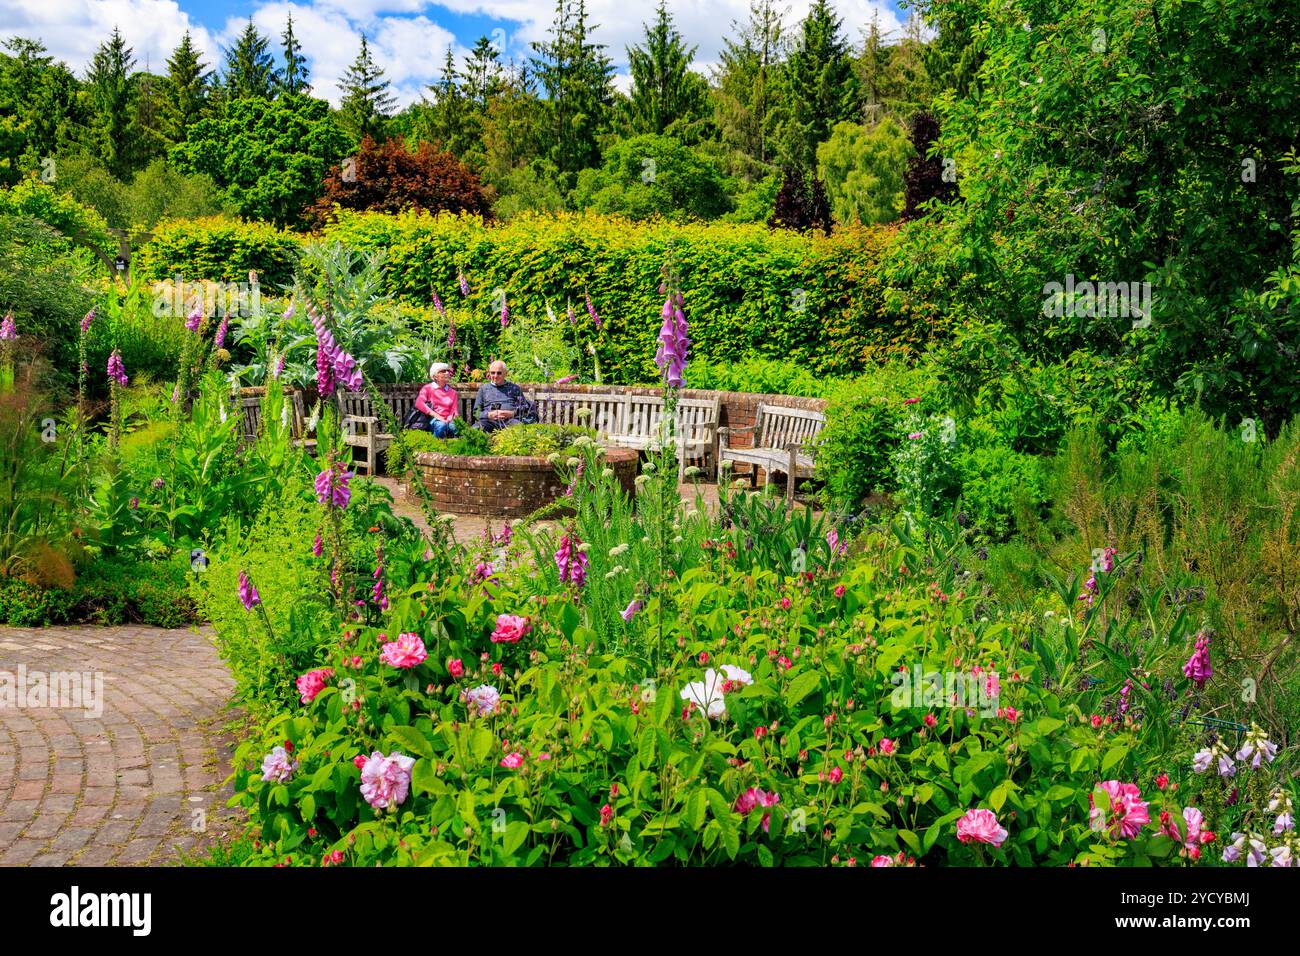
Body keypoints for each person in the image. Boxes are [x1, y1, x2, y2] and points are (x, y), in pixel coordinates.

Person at [472, 360, 537, 433]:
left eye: (499, 373)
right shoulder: (483, 389)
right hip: (489, 422)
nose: (495, 376)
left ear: (505, 373)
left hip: (510, 421)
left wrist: (512, 413)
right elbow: (476, 413)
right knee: (476, 428)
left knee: (519, 428)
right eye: (492, 373)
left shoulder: (514, 388)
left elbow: (525, 409)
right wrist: (488, 415)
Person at [415, 362, 459, 438]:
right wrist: (437, 416)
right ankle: (438, 445)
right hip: (433, 420)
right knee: (441, 426)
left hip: (448, 421)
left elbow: (454, 411)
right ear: (435, 376)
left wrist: (449, 419)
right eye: (443, 371)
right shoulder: (428, 388)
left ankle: (456, 447)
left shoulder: (452, 392)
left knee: (456, 427)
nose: (447, 373)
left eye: (447, 371)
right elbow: (419, 403)